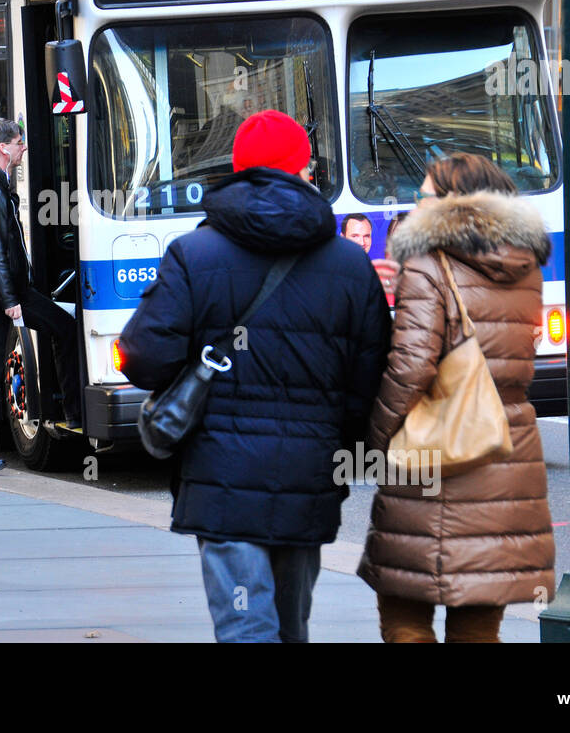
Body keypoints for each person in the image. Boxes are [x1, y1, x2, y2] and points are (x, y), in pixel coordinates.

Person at [118, 110, 391, 643]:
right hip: (310, 475)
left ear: (238, 168)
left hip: (221, 477)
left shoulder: (193, 253)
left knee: (246, 627)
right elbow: (371, 378)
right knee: (291, 629)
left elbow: (144, 357)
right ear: (304, 170)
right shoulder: (348, 264)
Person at [357, 152, 555, 643]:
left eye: (423, 195)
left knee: (405, 612)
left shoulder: (426, 264)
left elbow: (410, 366)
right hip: (507, 446)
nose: (415, 202)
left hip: (435, 455)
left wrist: (379, 437)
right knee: (479, 616)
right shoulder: (526, 264)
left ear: (450, 203)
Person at [0, 118, 82, 475]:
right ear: (3, 149)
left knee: (64, 328)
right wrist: (10, 300)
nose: (24, 145)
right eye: (18, 141)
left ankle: (73, 413)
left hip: (10, 291)